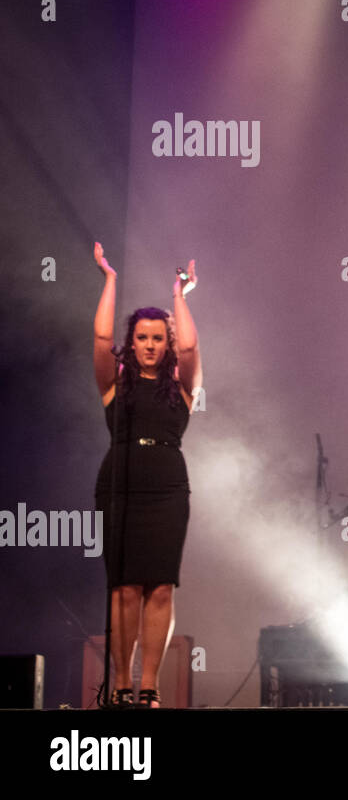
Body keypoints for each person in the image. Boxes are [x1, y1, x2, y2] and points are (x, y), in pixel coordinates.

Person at [92, 243, 200, 708]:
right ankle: (120, 686)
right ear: (131, 342)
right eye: (142, 337)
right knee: (125, 587)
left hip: (168, 490)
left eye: (158, 338)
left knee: (160, 586)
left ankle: (150, 687)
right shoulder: (114, 382)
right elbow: (99, 342)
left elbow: (192, 345)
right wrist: (110, 279)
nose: (151, 345)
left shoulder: (182, 386)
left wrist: (181, 295)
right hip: (121, 485)